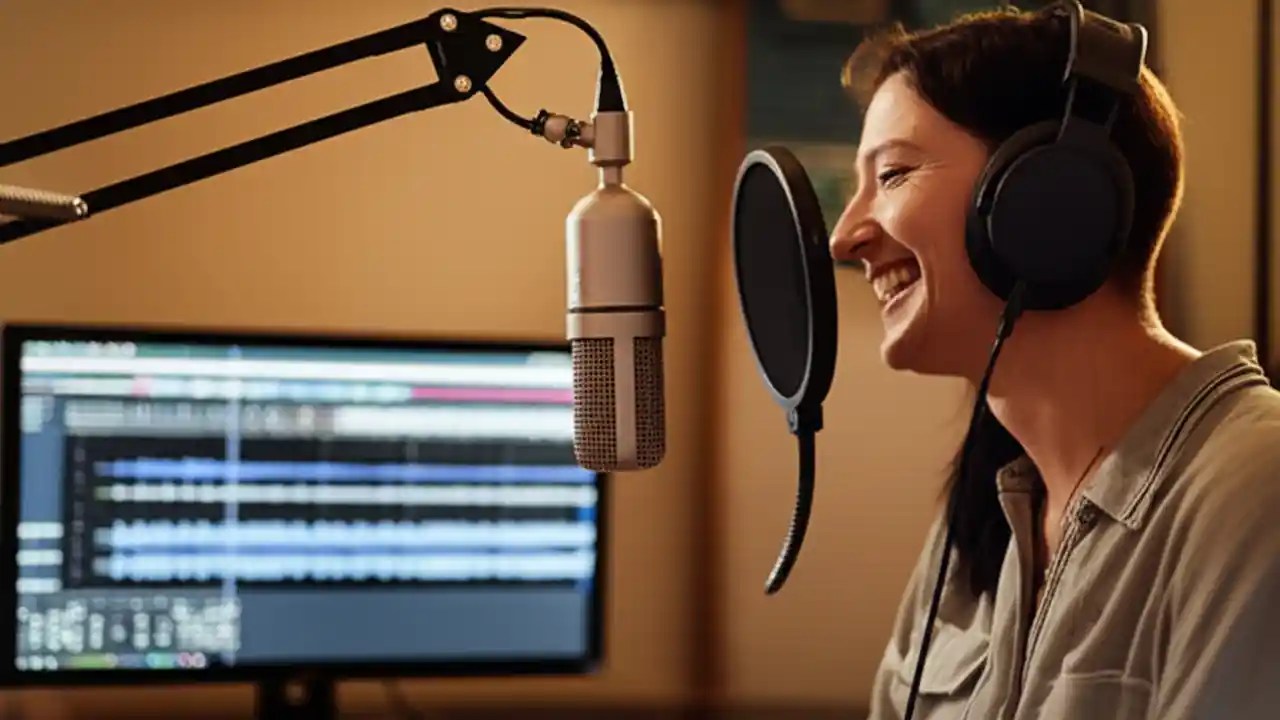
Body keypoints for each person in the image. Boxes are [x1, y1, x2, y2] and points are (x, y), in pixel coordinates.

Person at [826, 4, 1280, 719]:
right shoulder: (982, 521)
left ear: (1046, 198)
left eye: (893, 175)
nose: (845, 237)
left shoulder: (1253, 488)